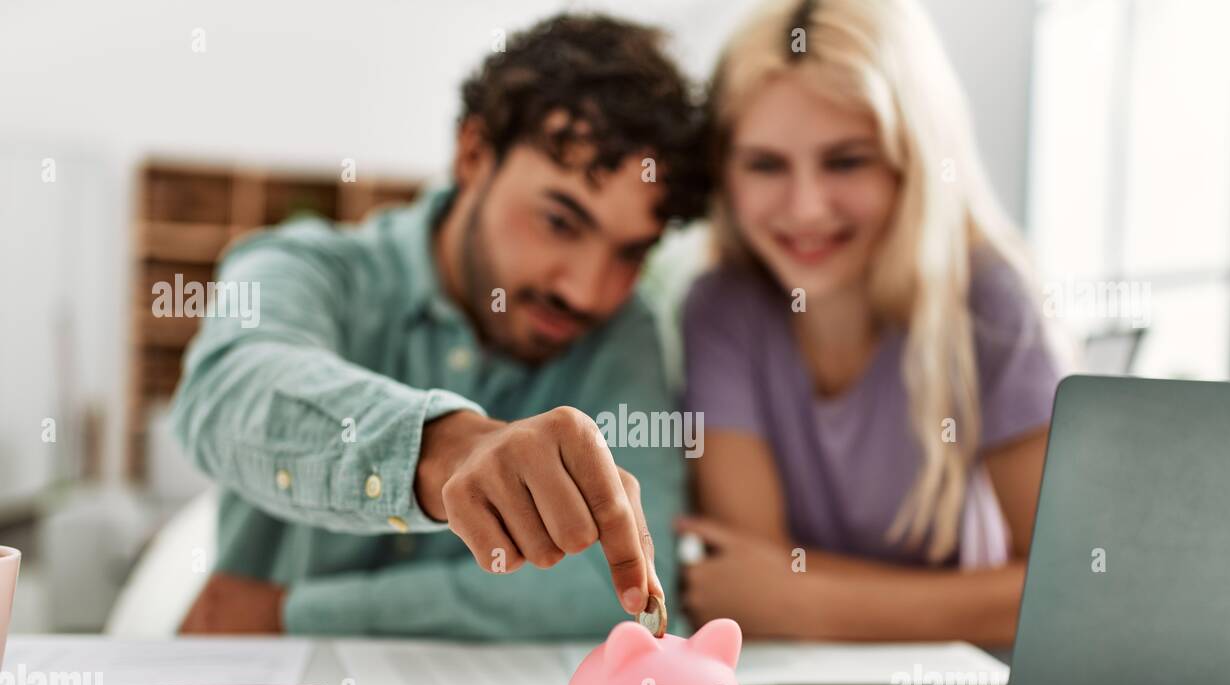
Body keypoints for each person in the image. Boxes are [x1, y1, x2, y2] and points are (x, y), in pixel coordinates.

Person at [169, 14, 706, 638]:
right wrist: (447, 446)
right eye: (560, 221)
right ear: (472, 154)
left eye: (630, 253)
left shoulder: (621, 330)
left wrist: (288, 613)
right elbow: (226, 391)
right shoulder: (305, 268)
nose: (585, 290)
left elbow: (624, 587)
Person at [679, 0, 1066, 645]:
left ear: (913, 163)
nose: (806, 208)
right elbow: (741, 581)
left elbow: (1066, 588)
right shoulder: (721, 309)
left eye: (848, 160)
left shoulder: (990, 297)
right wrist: (978, 597)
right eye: (765, 165)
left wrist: (808, 602)